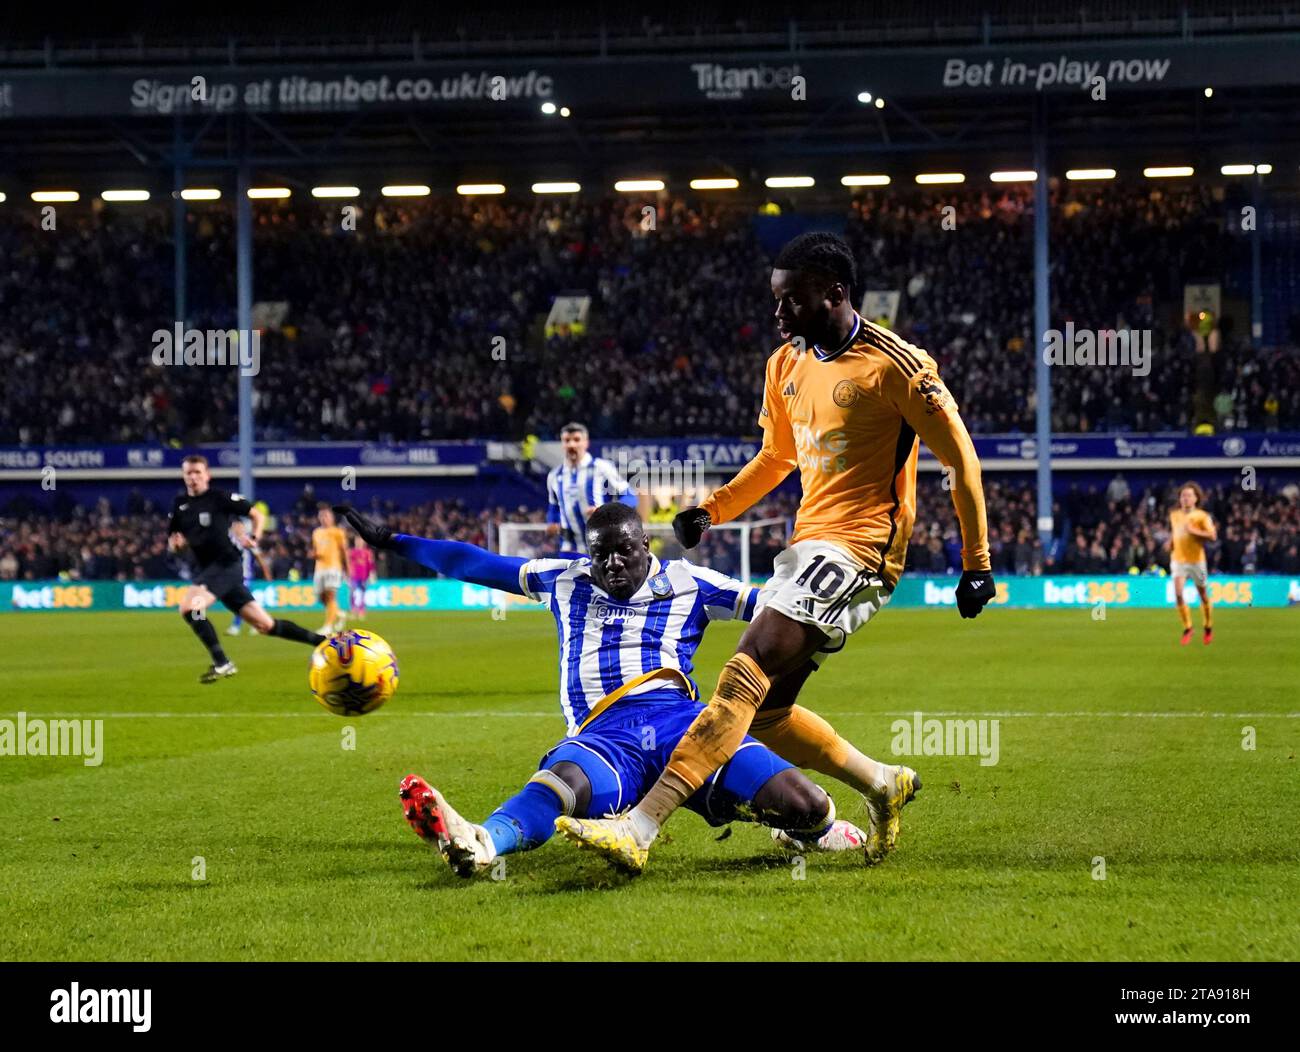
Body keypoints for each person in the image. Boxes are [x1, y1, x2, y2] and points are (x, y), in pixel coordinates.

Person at [558, 231, 993, 874]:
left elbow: (961, 462)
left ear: (834, 294)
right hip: (808, 543)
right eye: (776, 300)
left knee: (747, 664)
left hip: (863, 549)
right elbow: (777, 458)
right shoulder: (785, 364)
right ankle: (882, 782)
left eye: (791, 301)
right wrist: (713, 509)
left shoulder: (898, 368)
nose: (779, 314)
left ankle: (640, 827)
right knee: (768, 713)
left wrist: (976, 561)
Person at [335, 502, 869, 878]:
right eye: (601, 554)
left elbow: (782, 614)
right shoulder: (563, 578)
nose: (612, 564)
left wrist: (831, 615)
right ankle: (478, 842)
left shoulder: (693, 583)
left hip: (686, 725)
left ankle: (802, 830)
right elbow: (475, 564)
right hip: (602, 736)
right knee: (560, 781)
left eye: (624, 552)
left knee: (807, 806)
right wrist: (393, 542)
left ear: (645, 544)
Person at [167, 455, 325, 682]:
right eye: (188, 473)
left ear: (207, 475)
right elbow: (175, 543)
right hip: (208, 571)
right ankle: (324, 642)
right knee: (265, 625)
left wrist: (254, 537)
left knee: (190, 607)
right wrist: (177, 546)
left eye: (198, 472)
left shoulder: (219, 498)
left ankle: (222, 662)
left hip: (227, 565)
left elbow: (256, 514)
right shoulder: (179, 506)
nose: (193, 477)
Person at [545, 422, 638, 554]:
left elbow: (630, 497)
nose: (572, 445)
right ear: (562, 444)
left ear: (586, 443)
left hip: (601, 547)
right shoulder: (554, 475)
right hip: (568, 549)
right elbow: (553, 506)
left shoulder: (602, 468)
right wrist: (552, 523)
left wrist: (606, 512)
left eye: (576, 440)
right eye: (567, 440)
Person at [1168, 481, 1217, 645]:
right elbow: (1176, 534)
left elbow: (1212, 536)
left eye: (1189, 495)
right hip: (1178, 559)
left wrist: (1194, 531)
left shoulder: (1202, 516)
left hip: (1197, 561)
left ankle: (1208, 626)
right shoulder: (1174, 515)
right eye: (1183, 495)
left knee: (1203, 594)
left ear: (1196, 498)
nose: (1185, 498)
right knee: (1178, 594)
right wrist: (1171, 543)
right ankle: (1188, 628)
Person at [311, 504, 349, 634]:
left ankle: (328, 626)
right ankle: (339, 613)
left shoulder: (338, 532)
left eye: (326, 515)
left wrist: (348, 568)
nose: (323, 518)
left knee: (331, 596)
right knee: (322, 598)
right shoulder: (316, 532)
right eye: (321, 516)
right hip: (319, 568)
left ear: (332, 518)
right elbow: (316, 550)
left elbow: (344, 551)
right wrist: (314, 554)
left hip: (333, 567)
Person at [346, 534, 375, 622]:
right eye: (357, 540)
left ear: (363, 542)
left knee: (362, 593)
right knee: (353, 592)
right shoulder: (351, 552)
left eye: (360, 540)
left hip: (363, 575)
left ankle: (361, 610)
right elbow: (347, 564)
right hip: (353, 575)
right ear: (355, 541)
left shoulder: (368, 552)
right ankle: (354, 610)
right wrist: (346, 575)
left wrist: (372, 574)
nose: (359, 542)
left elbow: (371, 564)